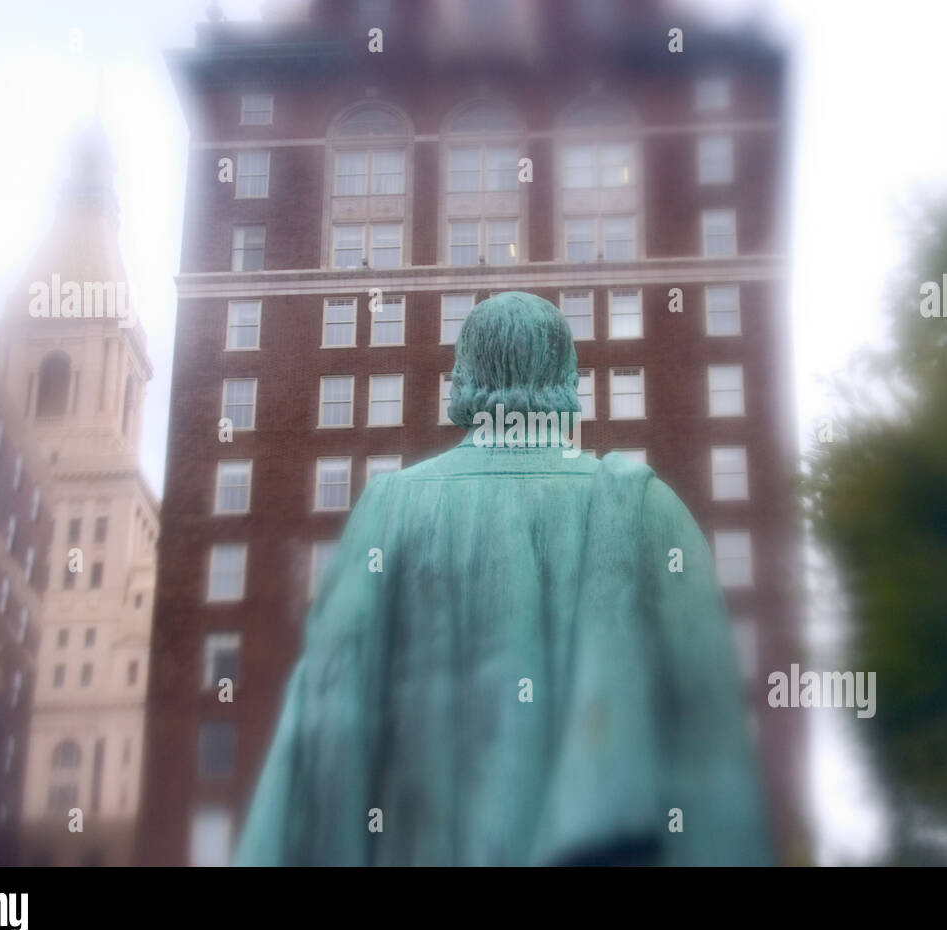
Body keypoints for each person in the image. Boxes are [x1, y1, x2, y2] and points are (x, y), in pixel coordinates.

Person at [233, 291, 771, 865]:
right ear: (570, 381)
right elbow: (713, 770)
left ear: (460, 382)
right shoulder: (649, 511)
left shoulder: (387, 510)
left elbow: (322, 730)